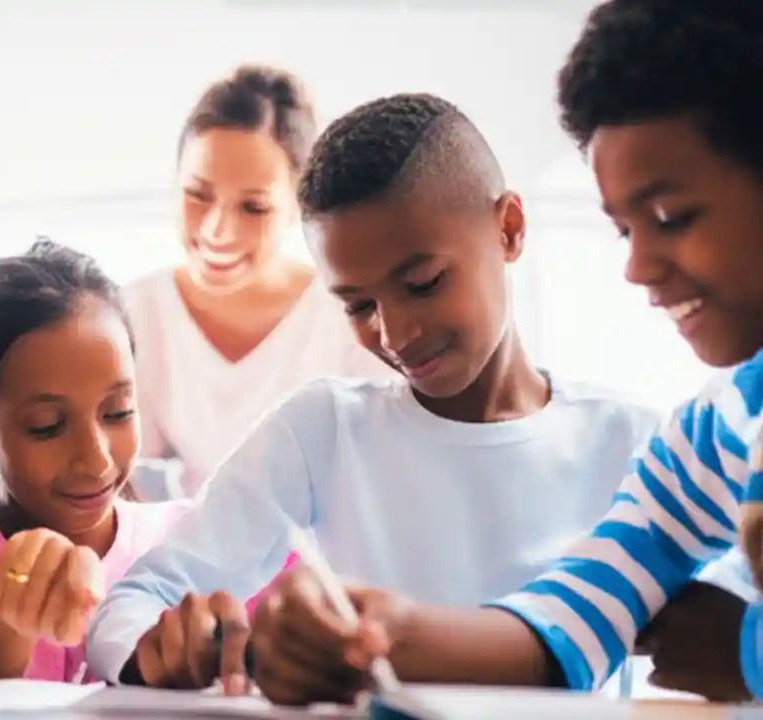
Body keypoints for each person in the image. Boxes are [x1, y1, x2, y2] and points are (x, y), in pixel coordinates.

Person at [245, 0, 763, 705]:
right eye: (623, 230)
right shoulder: (711, 437)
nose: (637, 267)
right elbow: (571, 619)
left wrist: (749, 649)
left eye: (671, 217)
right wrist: (381, 635)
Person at [85, 93, 659, 698]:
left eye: (423, 283)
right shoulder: (323, 431)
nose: (395, 333)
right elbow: (132, 604)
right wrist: (170, 649)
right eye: (358, 305)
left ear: (509, 229)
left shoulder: (631, 443)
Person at [0, 241, 189, 683]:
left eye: (117, 411)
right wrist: (7, 613)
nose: (95, 459)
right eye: (47, 426)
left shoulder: (189, 540)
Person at [125, 64, 387, 499]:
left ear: (297, 205)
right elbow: (122, 479)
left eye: (253, 208)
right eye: (197, 194)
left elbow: (382, 479)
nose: (217, 232)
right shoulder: (137, 313)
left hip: (326, 556)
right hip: (198, 548)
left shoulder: (348, 314)